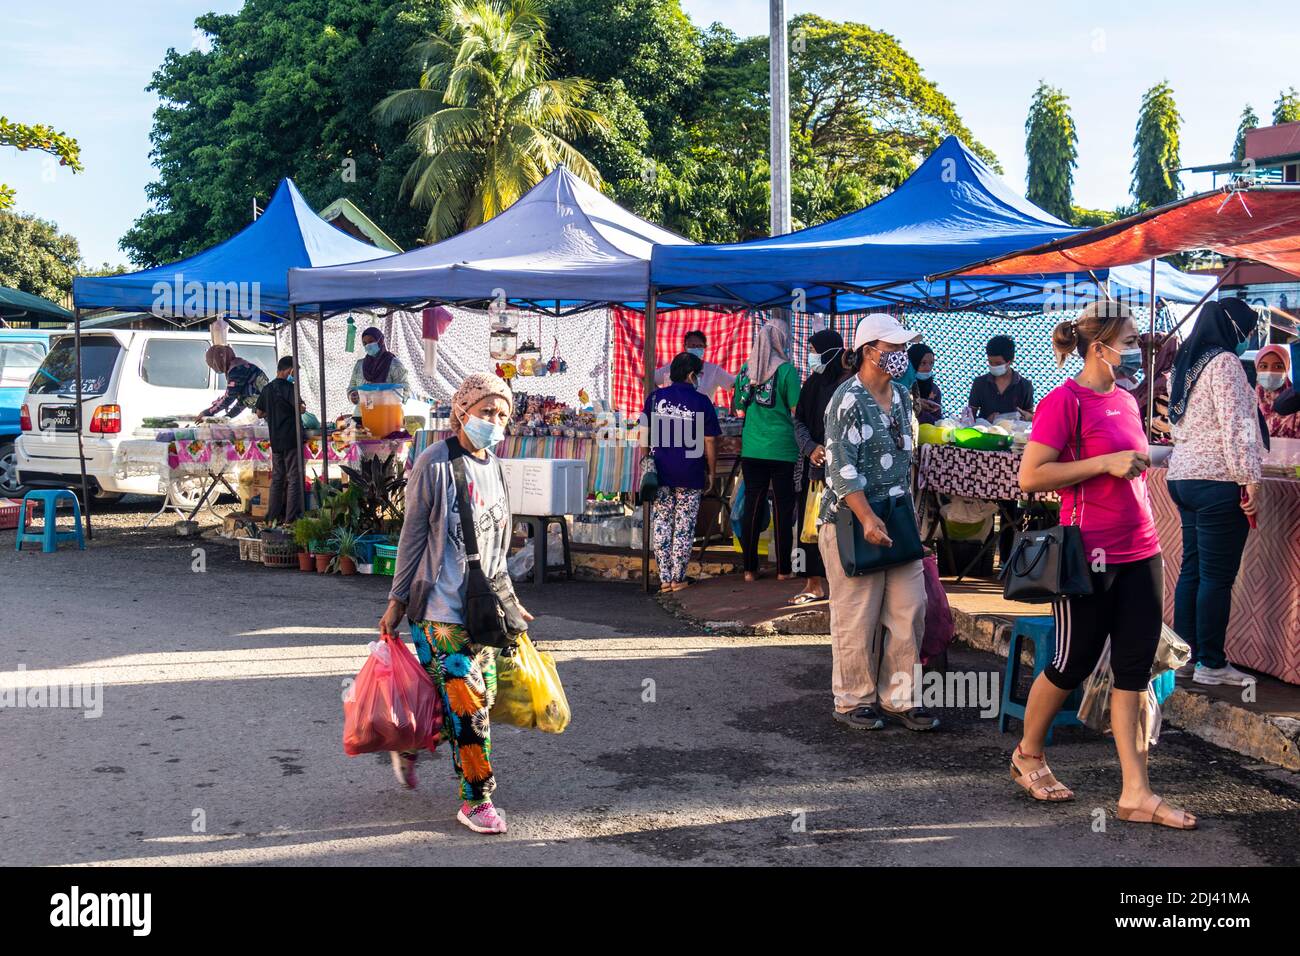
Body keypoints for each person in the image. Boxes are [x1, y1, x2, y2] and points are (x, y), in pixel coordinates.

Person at [1014, 300, 1194, 829]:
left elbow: (1129, 462)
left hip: (1142, 551)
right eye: (1133, 340)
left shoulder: (1128, 401)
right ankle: (1027, 755)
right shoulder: (1063, 402)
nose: (1140, 350)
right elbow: (1031, 476)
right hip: (1086, 557)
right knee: (1070, 665)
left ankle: (1136, 793)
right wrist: (1103, 464)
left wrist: (1157, 456)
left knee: (1135, 673)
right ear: (1100, 347)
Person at [380, 372, 531, 835]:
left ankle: (411, 741)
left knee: (476, 699)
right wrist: (397, 599)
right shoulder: (434, 462)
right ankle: (477, 801)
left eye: (502, 414)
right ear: (462, 411)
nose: (495, 421)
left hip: (482, 610)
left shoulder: (495, 467)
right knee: (468, 704)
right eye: (487, 411)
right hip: (439, 613)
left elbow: (496, 545)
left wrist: (512, 602)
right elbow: (412, 537)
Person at [819, 313, 938, 732]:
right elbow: (840, 469)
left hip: (896, 518)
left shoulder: (904, 398)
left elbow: (906, 457)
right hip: (853, 522)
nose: (900, 357)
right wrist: (868, 518)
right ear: (869, 351)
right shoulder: (846, 400)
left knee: (911, 609)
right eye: (893, 350)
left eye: (902, 349)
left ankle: (900, 698)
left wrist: (905, 519)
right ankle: (853, 700)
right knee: (857, 615)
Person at [1166, 299, 1265, 689]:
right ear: (1233, 328)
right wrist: (1249, 479)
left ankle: (1186, 657)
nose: (1248, 339)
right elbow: (1238, 425)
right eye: (1247, 330)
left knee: (1193, 569)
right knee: (1215, 578)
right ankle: (1212, 662)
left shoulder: (1189, 362)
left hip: (1185, 477)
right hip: (1218, 480)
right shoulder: (1224, 362)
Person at [643, 352, 720, 592]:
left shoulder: (656, 398)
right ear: (690, 375)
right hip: (690, 471)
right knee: (684, 525)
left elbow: (644, 434)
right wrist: (712, 472)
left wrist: (647, 462)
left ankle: (665, 579)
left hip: (661, 471)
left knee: (662, 524)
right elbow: (709, 441)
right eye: (697, 374)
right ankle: (678, 578)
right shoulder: (701, 401)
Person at [732, 321, 800, 582]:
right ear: (780, 340)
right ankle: (784, 570)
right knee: (784, 508)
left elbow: (739, 409)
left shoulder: (745, 371)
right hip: (782, 449)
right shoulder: (786, 372)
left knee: (753, 505)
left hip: (752, 449)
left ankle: (749, 570)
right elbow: (796, 411)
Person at [791, 328, 852, 604]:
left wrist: (831, 450)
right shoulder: (812, 384)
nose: (812, 356)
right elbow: (799, 420)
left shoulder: (849, 383)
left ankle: (843, 585)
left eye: (815, 351)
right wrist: (810, 448)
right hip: (813, 469)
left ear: (831, 352)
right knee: (809, 528)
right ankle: (812, 584)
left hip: (842, 469)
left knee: (841, 528)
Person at [254, 356, 305, 525]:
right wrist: (300, 407)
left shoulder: (267, 389)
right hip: (291, 438)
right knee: (294, 478)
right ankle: (290, 519)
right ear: (289, 370)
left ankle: (272, 518)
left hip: (275, 438)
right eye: (295, 371)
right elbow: (300, 408)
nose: (295, 375)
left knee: (277, 478)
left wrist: (274, 411)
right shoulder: (290, 388)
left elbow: (259, 413)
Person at [653, 329, 735, 403]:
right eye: (692, 346)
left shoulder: (713, 370)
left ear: (704, 348)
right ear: (685, 347)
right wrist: (661, 395)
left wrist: (734, 403)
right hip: (677, 415)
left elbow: (735, 384)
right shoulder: (673, 366)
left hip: (702, 416)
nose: (696, 349)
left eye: (699, 346)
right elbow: (648, 379)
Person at [967, 334, 1034, 421]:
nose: (993, 366)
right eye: (990, 362)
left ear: (1010, 361)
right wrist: (987, 421)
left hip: (1013, 433)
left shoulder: (1025, 386)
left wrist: (1027, 416)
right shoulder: (980, 383)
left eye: (998, 363)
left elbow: (1030, 417)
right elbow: (969, 418)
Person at [347, 326, 411, 408]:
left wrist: (385, 395)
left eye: (371, 341)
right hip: (364, 414)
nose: (368, 345)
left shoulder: (394, 364)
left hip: (387, 414)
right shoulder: (360, 365)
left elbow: (405, 389)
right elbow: (351, 387)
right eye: (365, 343)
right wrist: (352, 395)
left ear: (380, 341)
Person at [199, 345, 267, 418]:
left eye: (213, 364)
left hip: (267, 410)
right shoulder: (239, 366)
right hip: (262, 408)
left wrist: (208, 412)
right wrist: (227, 418)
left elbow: (229, 398)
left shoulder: (237, 370)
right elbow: (243, 401)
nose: (214, 368)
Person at [1254, 344, 1300, 438]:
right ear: (1256, 369)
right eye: (1263, 366)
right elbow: (1246, 440)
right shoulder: (1246, 402)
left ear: (1287, 368)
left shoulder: (1296, 400)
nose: (1270, 371)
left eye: (1278, 367)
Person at [908, 343, 942, 425]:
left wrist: (919, 412)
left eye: (931, 363)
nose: (928, 368)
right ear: (912, 363)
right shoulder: (902, 386)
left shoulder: (934, 390)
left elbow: (937, 421)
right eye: (923, 363)